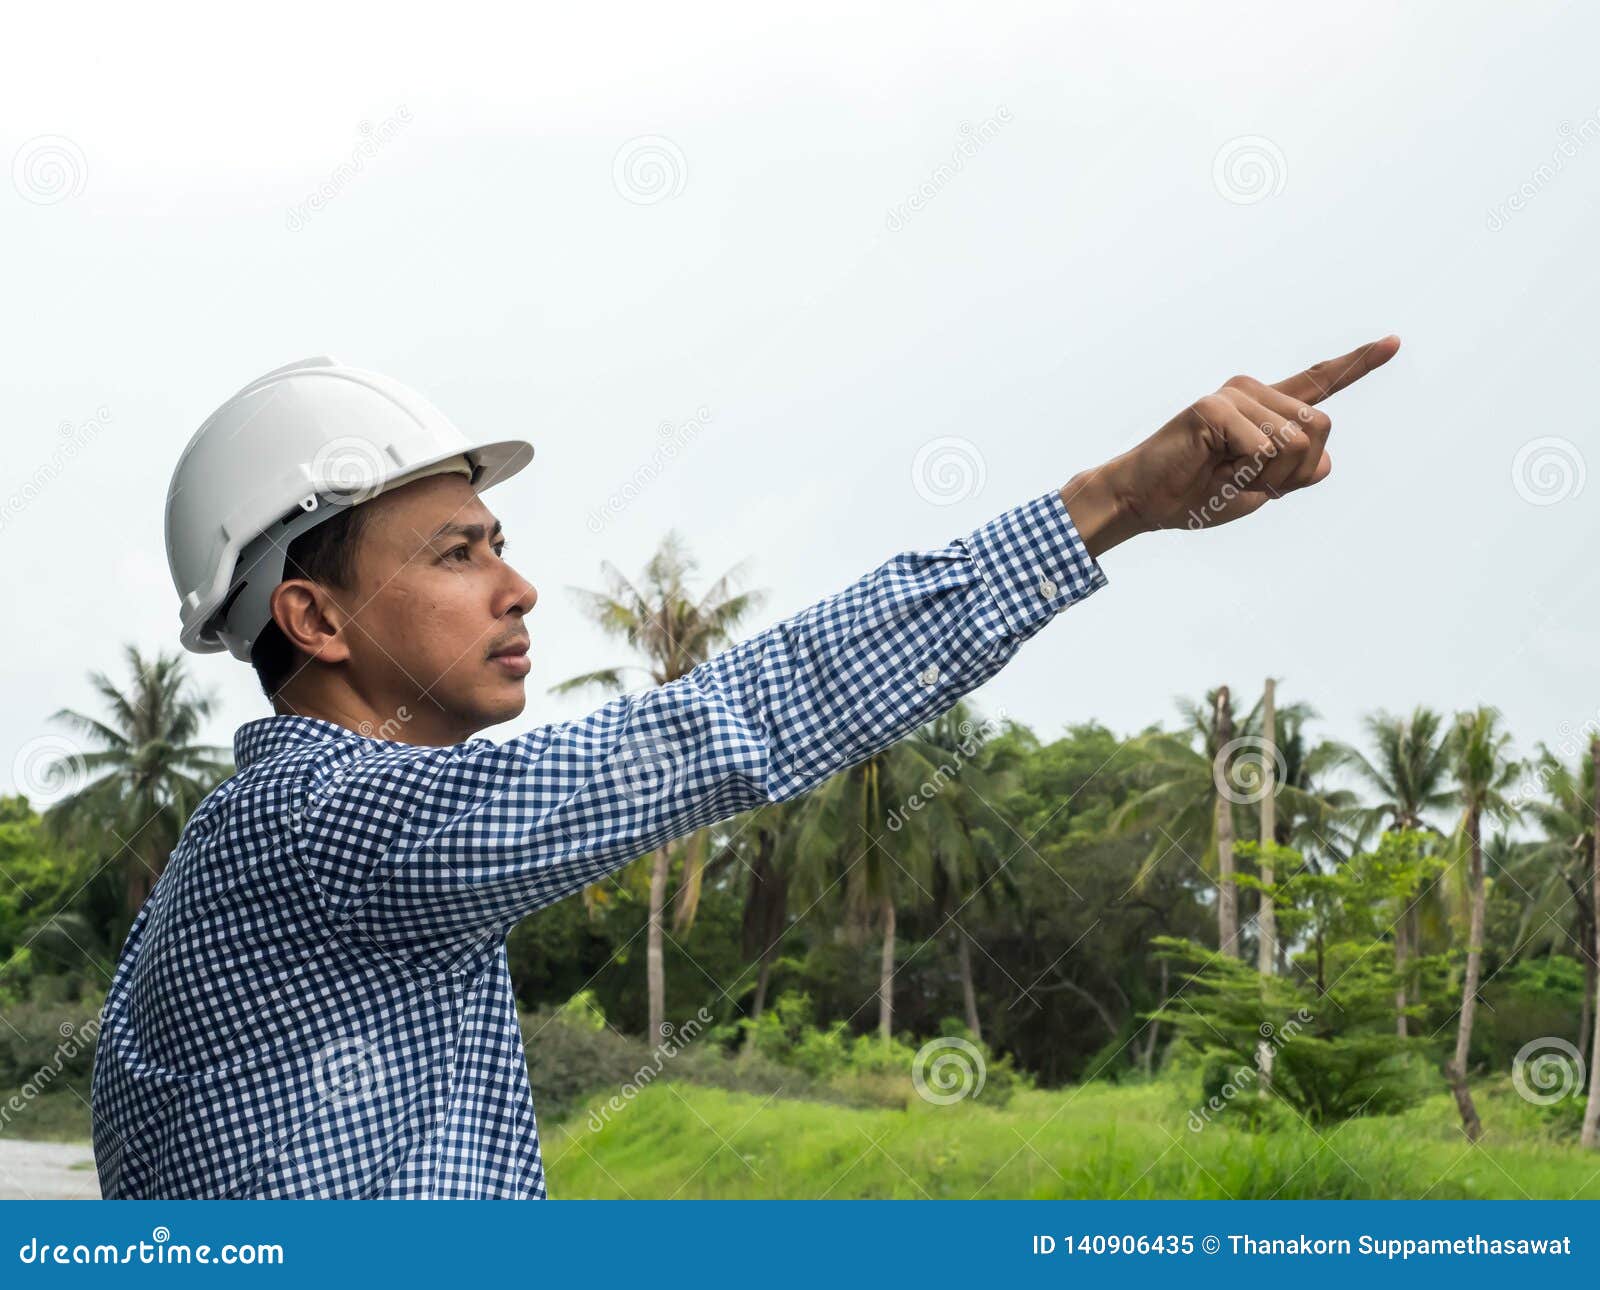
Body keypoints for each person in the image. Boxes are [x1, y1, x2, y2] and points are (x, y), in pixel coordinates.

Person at [91, 339, 1400, 1198]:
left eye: (499, 541)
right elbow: (733, 723)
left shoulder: (244, 853)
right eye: (456, 552)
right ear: (313, 621)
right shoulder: (338, 828)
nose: (519, 583)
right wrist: (1116, 499)